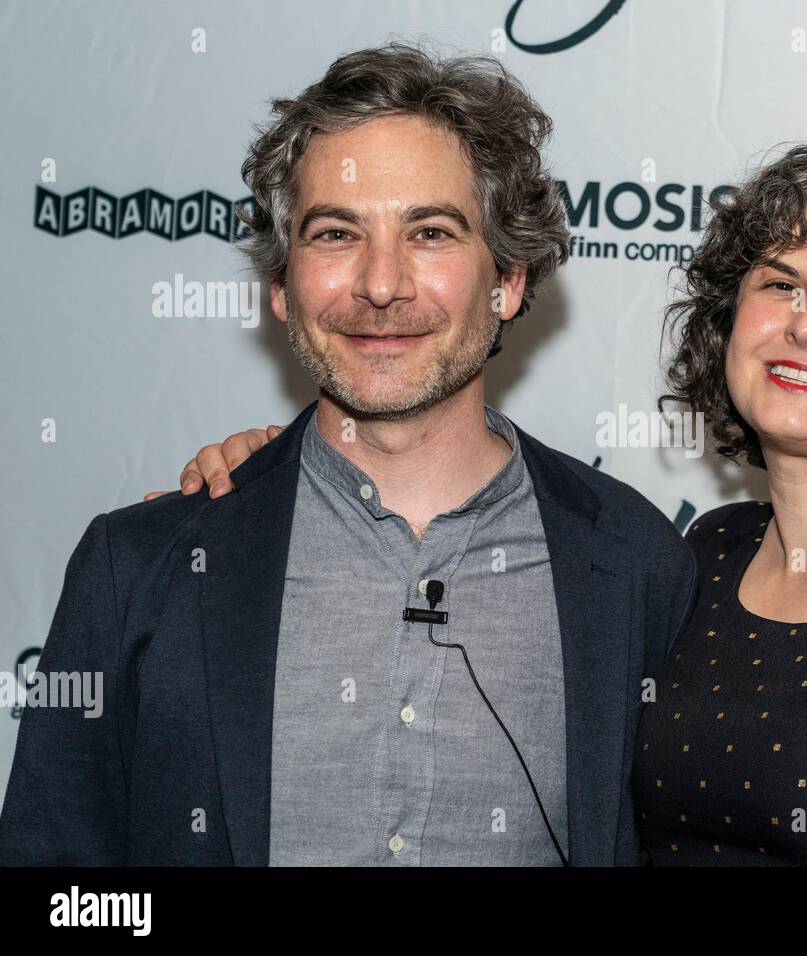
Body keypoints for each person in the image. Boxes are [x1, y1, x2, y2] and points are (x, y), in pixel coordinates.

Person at [149, 142, 807, 866]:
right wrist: (272, 480)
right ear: (728, 321)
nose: (804, 327)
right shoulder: (687, 559)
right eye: (777, 285)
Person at [0, 43, 695, 867]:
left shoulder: (635, 561)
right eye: (336, 233)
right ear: (283, 284)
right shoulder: (139, 566)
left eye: (430, 232)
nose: (380, 284)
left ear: (508, 278)